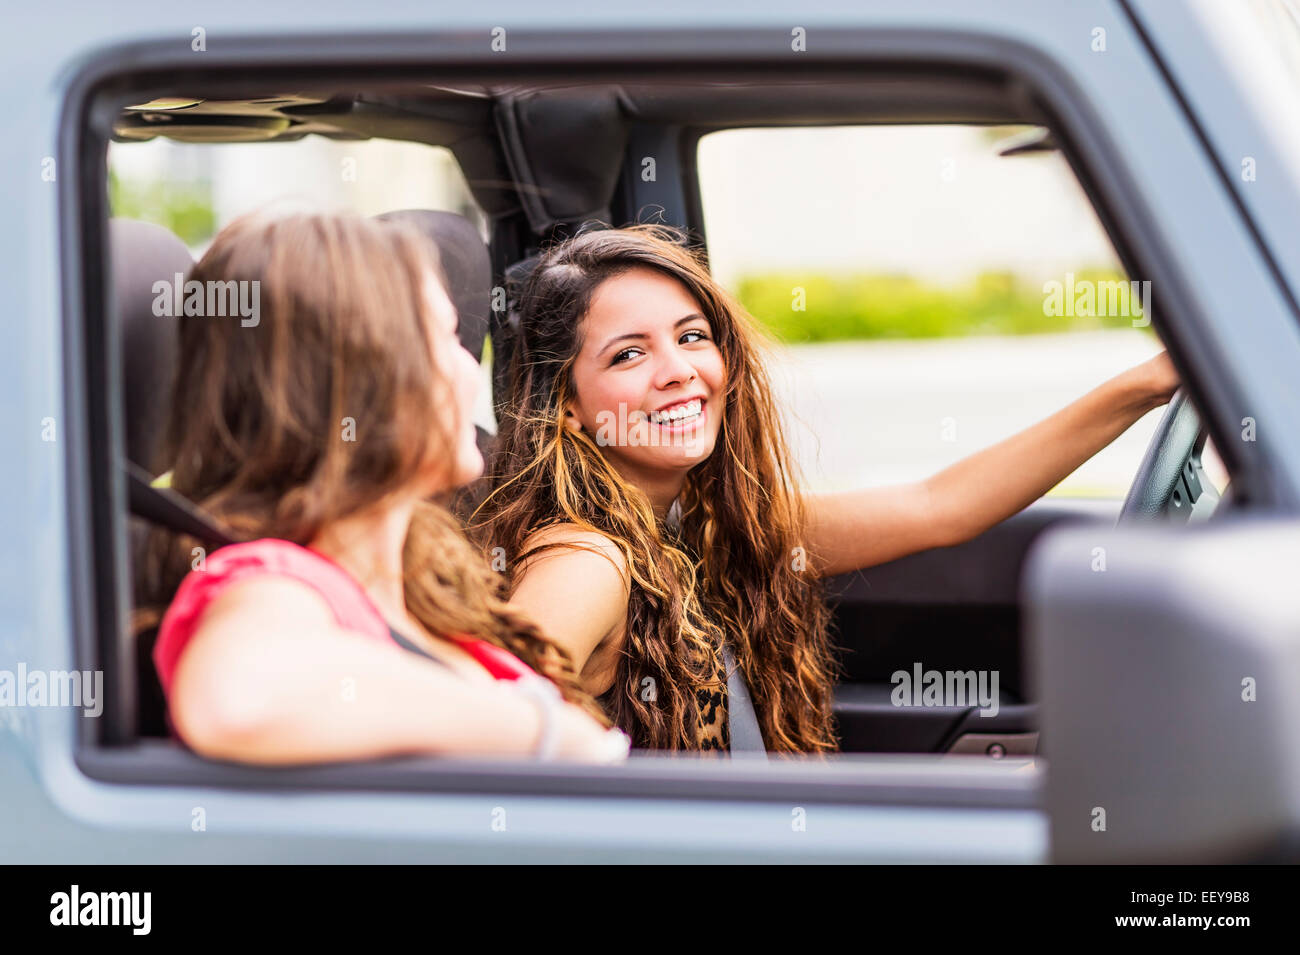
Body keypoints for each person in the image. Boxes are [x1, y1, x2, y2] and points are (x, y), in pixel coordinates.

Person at [472, 224, 1180, 753]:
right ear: (567, 403)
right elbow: (489, 724)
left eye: (692, 337)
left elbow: (941, 507)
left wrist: (1147, 385)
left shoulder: (700, 527)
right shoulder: (587, 560)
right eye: (629, 353)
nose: (678, 370)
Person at [136, 210, 629, 766]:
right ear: (362, 383)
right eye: (444, 339)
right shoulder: (273, 580)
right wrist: (546, 730)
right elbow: (238, 699)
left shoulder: (425, 588)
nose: (468, 367)